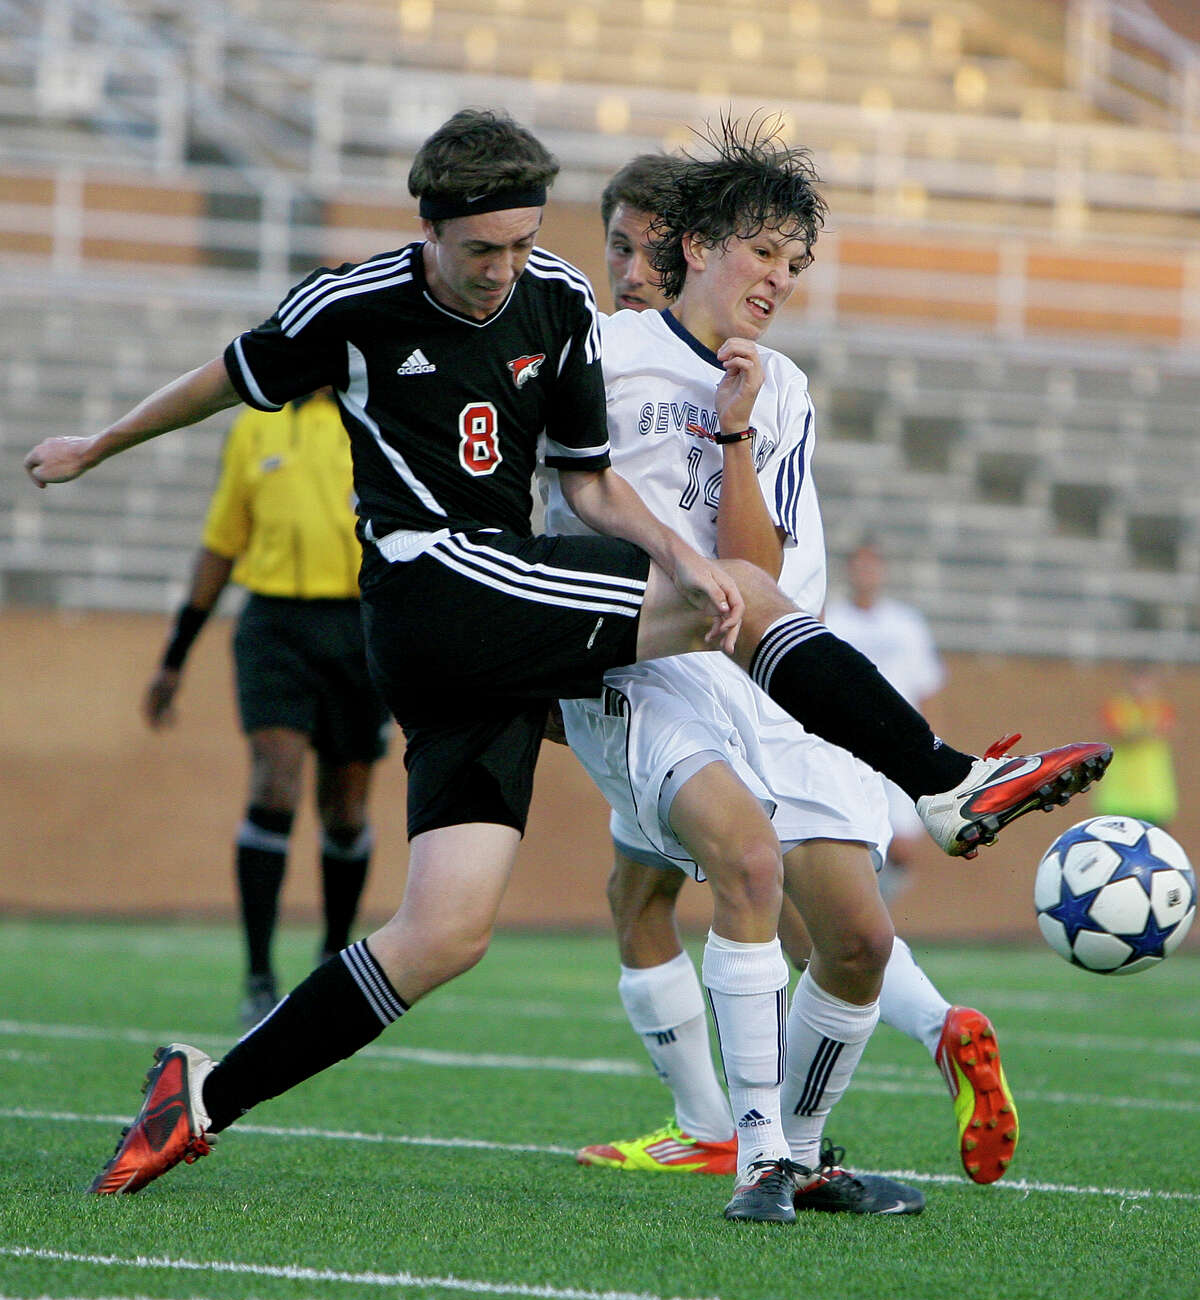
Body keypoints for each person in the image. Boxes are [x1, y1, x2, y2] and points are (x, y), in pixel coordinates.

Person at [25, 108, 1108, 1205]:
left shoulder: (553, 298)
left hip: (503, 629)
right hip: (433, 581)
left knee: (443, 930)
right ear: (431, 228)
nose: (502, 271)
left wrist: (677, 556)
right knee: (739, 606)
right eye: (479, 249)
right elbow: (228, 372)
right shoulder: (350, 302)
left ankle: (202, 1095)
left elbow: (590, 480)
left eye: (520, 242)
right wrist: (98, 444)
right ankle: (947, 782)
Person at [571, 155, 1020, 1194]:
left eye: (792, 263)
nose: (778, 278)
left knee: (856, 935)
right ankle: (743, 1143)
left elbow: (756, 567)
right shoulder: (598, 351)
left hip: (783, 670)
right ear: (698, 247)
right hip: (651, 672)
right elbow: (562, 501)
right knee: (737, 872)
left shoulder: (780, 387)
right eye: (764, 253)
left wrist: (734, 422)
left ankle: (794, 1153)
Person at [143, 390, 389, 1029]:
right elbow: (221, 542)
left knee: (344, 810)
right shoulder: (257, 428)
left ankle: (335, 958)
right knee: (274, 784)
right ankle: (258, 973)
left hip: (362, 626)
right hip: (274, 627)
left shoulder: (376, 414)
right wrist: (175, 655)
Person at [824, 535, 946, 901]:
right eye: (859, 565)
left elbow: (928, 687)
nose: (866, 573)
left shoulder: (907, 624)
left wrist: (935, 745)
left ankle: (878, 910)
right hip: (849, 744)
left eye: (872, 565)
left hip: (901, 742)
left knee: (903, 846)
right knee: (853, 838)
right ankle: (855, 917)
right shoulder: (832, 618)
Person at [1093, 663, 1178, 827]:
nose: (1141, 686)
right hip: (1118, 800)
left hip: (1153, 801)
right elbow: (1119, 734)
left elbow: (1164, 730)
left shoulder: (1162, 708)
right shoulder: (1116, 708)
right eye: (1138, 680)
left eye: (1146, 681)